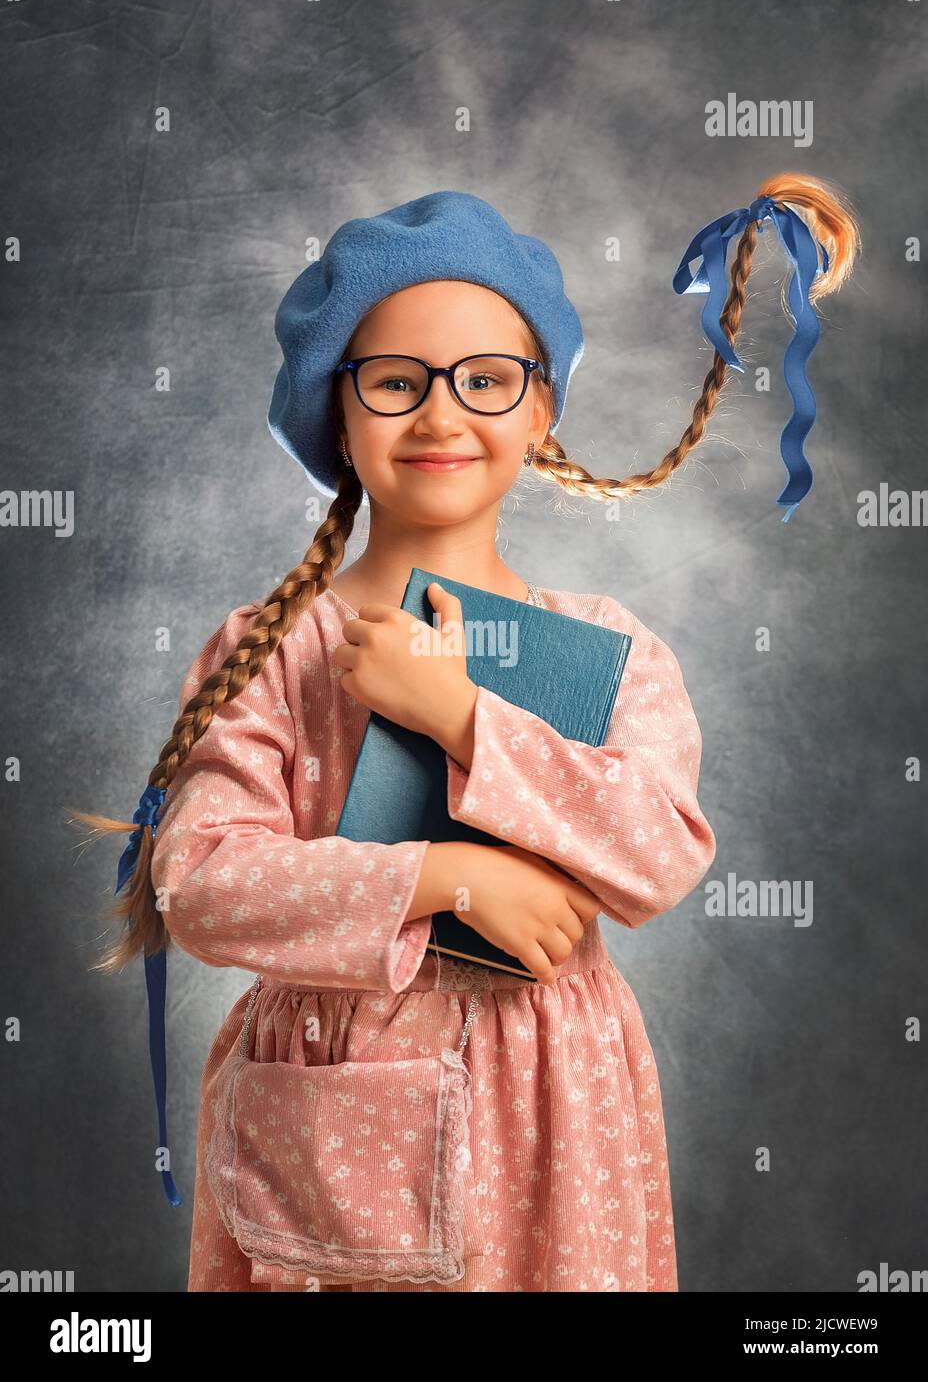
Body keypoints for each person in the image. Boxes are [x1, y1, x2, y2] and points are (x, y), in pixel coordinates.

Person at [70, 175, 859, 1291]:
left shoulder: (609, 646)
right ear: (336, 415)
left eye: (487, 381)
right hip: (332, 1094)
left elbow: (659, 849)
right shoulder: (275, 648)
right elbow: (201, 882)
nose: (442, 415)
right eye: (396, 382)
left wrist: (457, 712)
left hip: (557, 1099)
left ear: (540, 412)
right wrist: (449, 876)